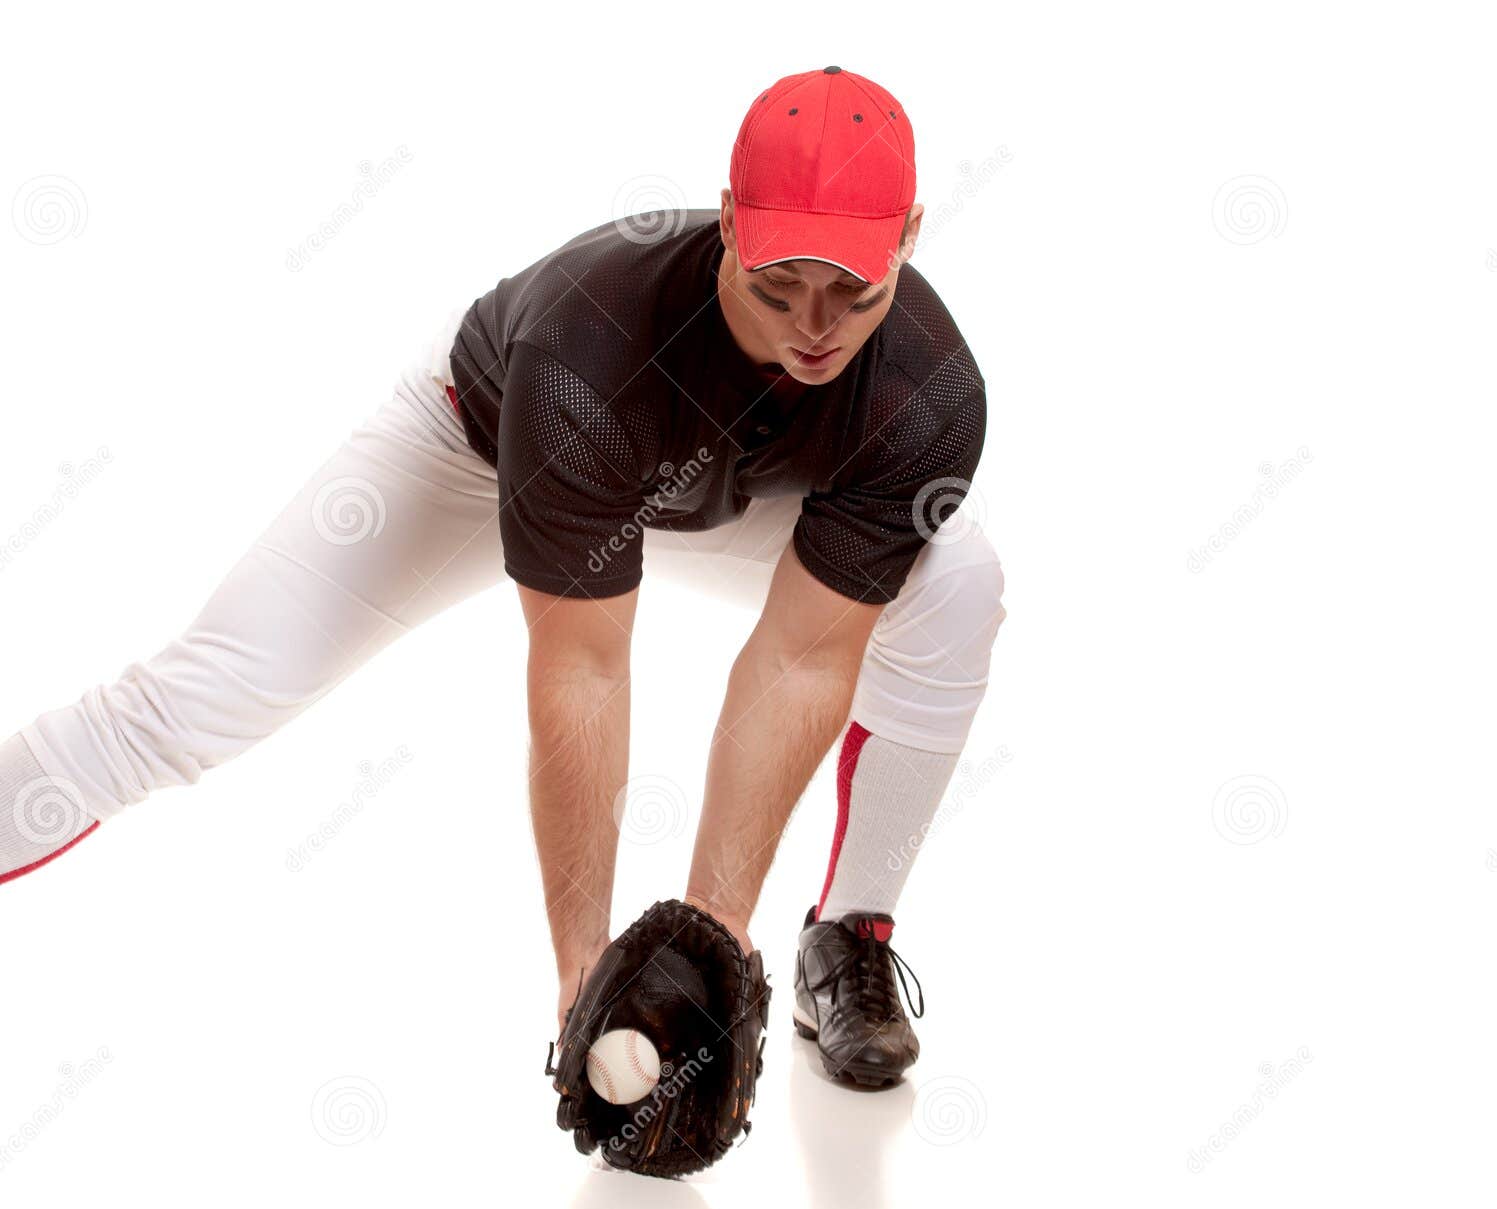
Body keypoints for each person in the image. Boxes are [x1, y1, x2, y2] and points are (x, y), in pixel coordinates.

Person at [1, 66, 1005, 1090]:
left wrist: (710, 942)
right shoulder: (588, 350)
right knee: (198, 697)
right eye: (776, 286)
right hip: (478, 447)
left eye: (853, 293)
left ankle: (844, 943)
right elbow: (584, 671)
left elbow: (797, 660)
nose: (812, 328)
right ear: (728, 224)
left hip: (718, 489)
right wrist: (585, 977)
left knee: (958, 577)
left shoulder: (928, 396)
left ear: (910, 237)